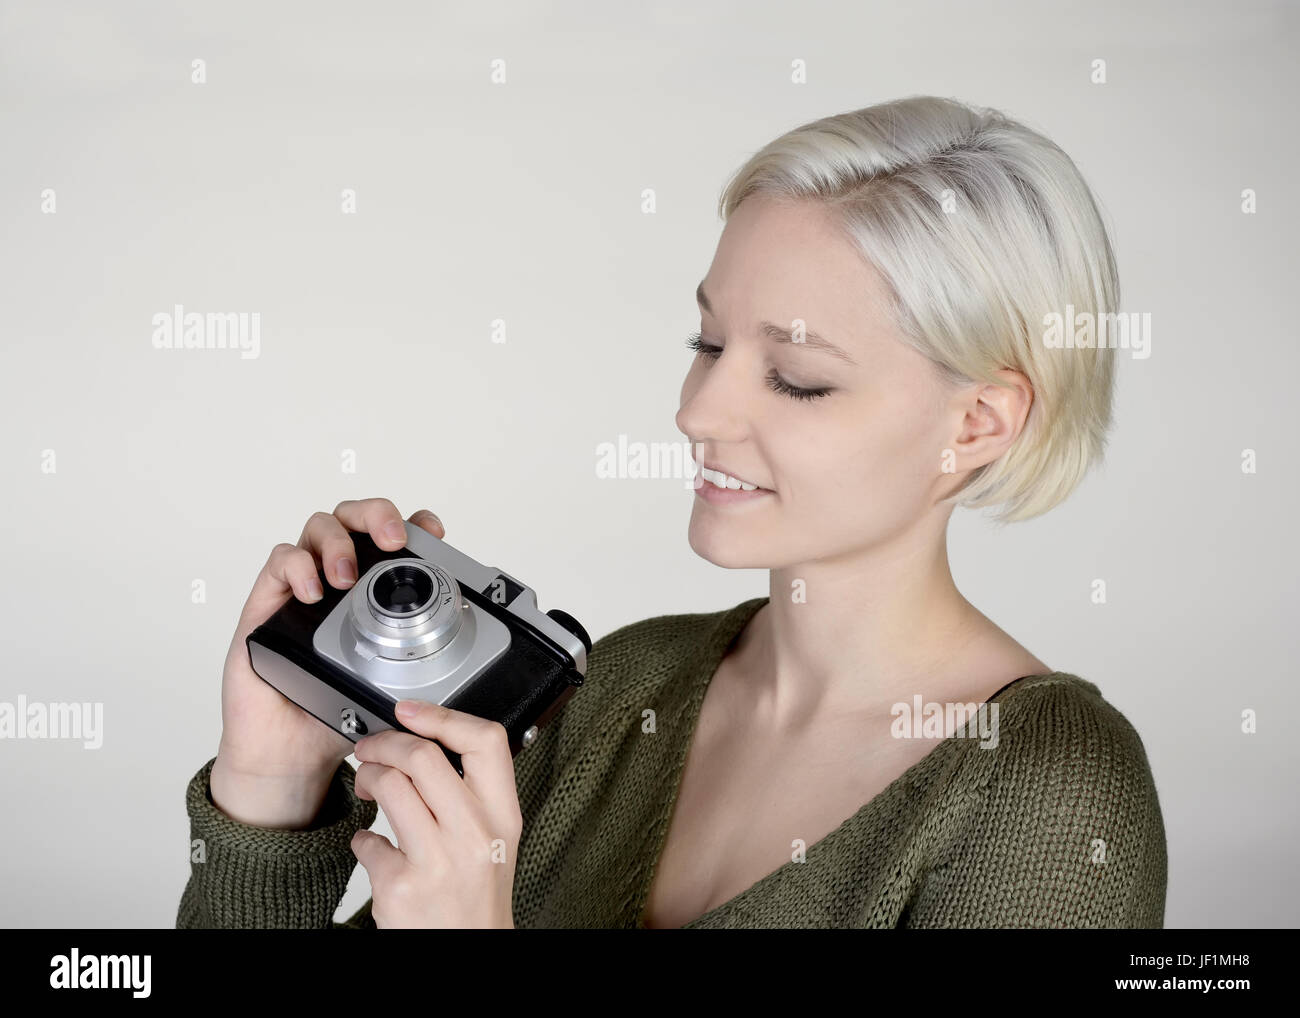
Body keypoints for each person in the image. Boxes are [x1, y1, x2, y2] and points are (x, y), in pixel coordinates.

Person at [178, 95, 1168, 929]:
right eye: (707, 343)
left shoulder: (1050, 790)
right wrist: (271, 789)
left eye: (796, 377)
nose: (695, 413)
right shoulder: (622, 688)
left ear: (979, 422)